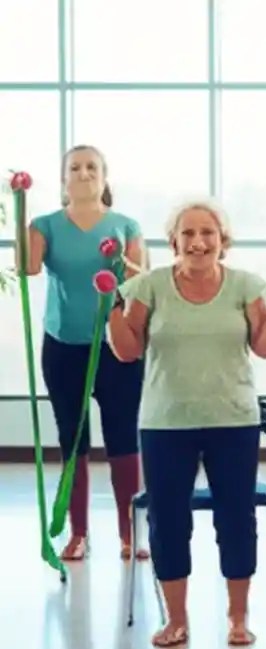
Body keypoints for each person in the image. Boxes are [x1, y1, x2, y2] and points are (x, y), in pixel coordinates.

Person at [106, 198, 266, 648]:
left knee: (236, 518)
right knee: (168, 521)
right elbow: (127, 350)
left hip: (233, 420)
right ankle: (176, 619)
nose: (198, 241)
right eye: (187, 234)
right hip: (166, 423)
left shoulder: (246, 286)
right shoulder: (148, 287)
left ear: (222, 241)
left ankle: (238, 618)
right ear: (174, 242)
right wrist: (109, 304)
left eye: (207, 232)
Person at [22, 144, 148, 562]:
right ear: (64, 179)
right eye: (74, 167)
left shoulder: (126, 226)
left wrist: (118, 263)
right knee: (72, 440)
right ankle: (78, 533)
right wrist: (20, 209)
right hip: (63, 346)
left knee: (122, 439)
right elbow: (28, 267)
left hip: (116, 346)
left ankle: (130, 534)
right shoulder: (45, 225)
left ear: (105, 176)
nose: (83, 172)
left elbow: (142, 282)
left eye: (92, 166)